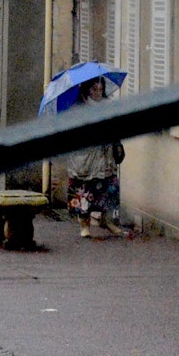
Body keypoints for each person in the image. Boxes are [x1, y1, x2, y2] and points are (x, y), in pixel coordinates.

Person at [65, 78, 127, 239]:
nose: (98, 92)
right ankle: (84, 225)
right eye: (94, 89)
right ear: (87, 89)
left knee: (109, 191)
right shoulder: (78, 108)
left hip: (106, 158)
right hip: (85, 160)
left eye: (100, 88)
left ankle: (108, 221)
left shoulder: (109, 105)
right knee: (85, 193)